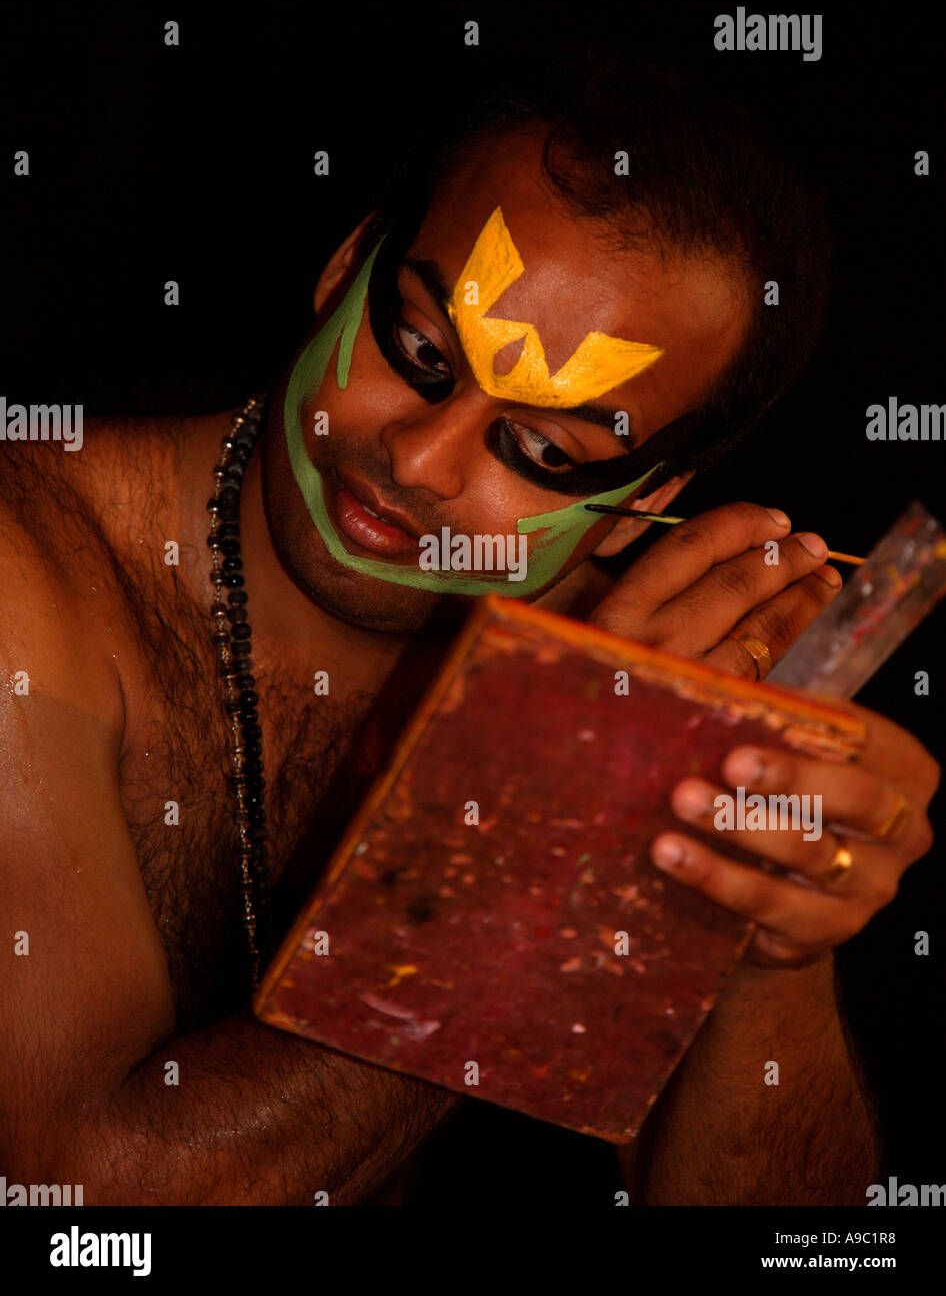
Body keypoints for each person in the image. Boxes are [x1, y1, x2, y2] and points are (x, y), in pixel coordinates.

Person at [0, 63, 935, 1205]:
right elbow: (86, 1211)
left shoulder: (641, 687)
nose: (420, 463)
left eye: (543, 456)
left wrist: (767, 936)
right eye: (420, 355)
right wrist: (544, 833)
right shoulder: (24, 564)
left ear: (647, 501)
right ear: (346, 268)